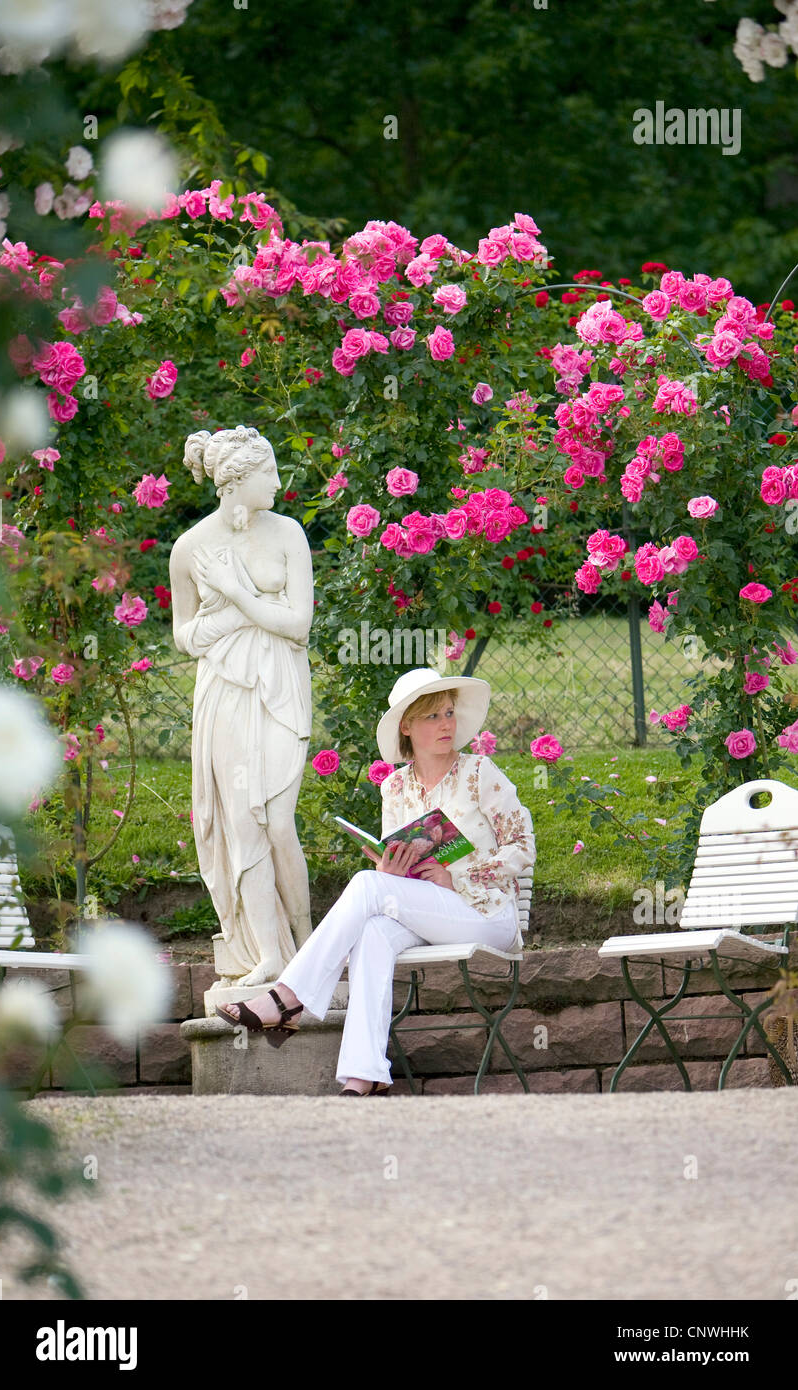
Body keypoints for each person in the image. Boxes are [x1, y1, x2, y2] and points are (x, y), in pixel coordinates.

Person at [216, 667, 537, 1095]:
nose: (446, 724)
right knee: (373, 929)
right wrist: (393, 872)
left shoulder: (480, 773)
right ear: (407, 726)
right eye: (432, 717)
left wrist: (454, 875)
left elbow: (521, 846)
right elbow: (396, 860)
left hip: (487, 913)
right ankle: (363, 1075)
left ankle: (286, 999)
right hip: (428, 910)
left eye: (448, 713)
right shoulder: (395, 788)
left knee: (369, 888)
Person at [169, 425, 314, 987]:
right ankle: (270, 954)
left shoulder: (289, 534)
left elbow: (298, 626)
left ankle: (306, 939)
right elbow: (185, 635)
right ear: (235, 481)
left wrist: (235, 593)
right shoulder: (189, 548)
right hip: (224, 694)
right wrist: (249, 607)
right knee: (241, 825)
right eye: (268, 474)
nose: (277, 483)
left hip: (278, 686)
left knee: (279, 820)